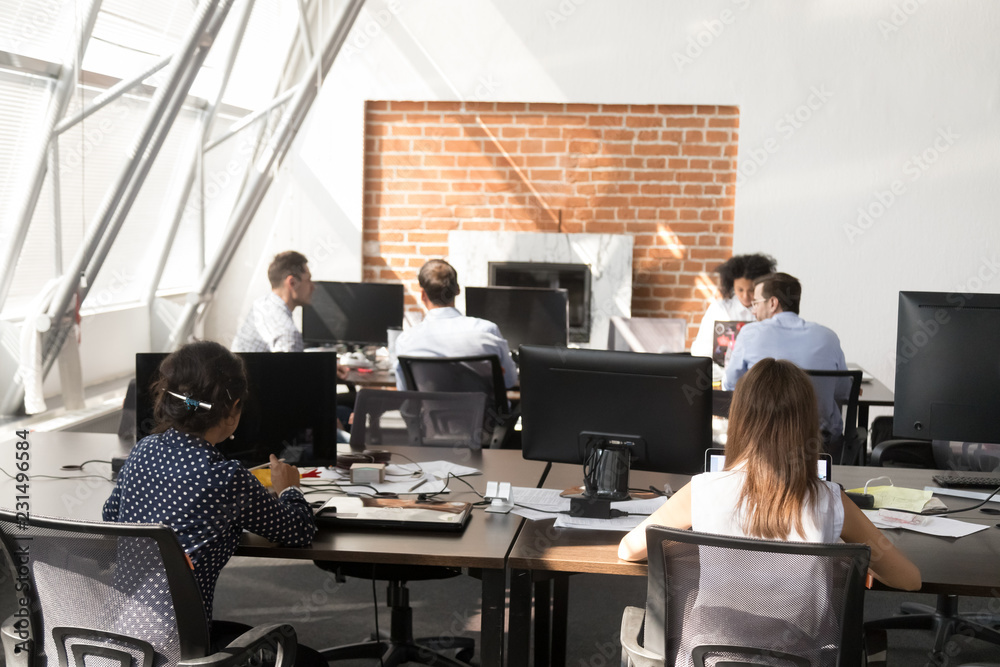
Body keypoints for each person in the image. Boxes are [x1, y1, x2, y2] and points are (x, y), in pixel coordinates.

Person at [618, 358, 921, 592]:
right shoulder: (831, 501)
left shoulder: (701, 491)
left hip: (710, 649)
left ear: (739, 419)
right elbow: (909, 579)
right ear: (807, 426)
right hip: (807, 650)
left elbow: (628, 549)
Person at [103, 341, 316, 624]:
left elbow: (110, 516)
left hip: (121, 630)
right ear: (234, 409)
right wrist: (289, 488)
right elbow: (300, 531)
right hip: (179, 640)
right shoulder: (226, 478)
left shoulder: (143, 450)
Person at [723, 272, 848, 440]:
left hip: (762, 439)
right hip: (818, 442)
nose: (753, 311)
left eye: (756, 303)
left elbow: (731, 384)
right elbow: (843, 392)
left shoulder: (749, 334)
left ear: (773, 303)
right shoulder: (828, 337)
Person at [393, 259, 518, 390]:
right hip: (481, 404)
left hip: (430, 404)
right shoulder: (487, 330)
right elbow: (509, 381)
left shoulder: (406, 341)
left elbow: (404, 390)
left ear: (423, 295)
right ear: (457, 290)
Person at [690, 253, 776, 362]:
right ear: (732, 286)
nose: (745, 296)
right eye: (740, 290)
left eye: (751, 290)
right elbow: (700, 350)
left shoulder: (771, 310)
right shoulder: (719, 309)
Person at [232, 251, 315, 353]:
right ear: (292, 283)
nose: (313, 287)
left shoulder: (260, 304)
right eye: (308, 280)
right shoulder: (288, 334)